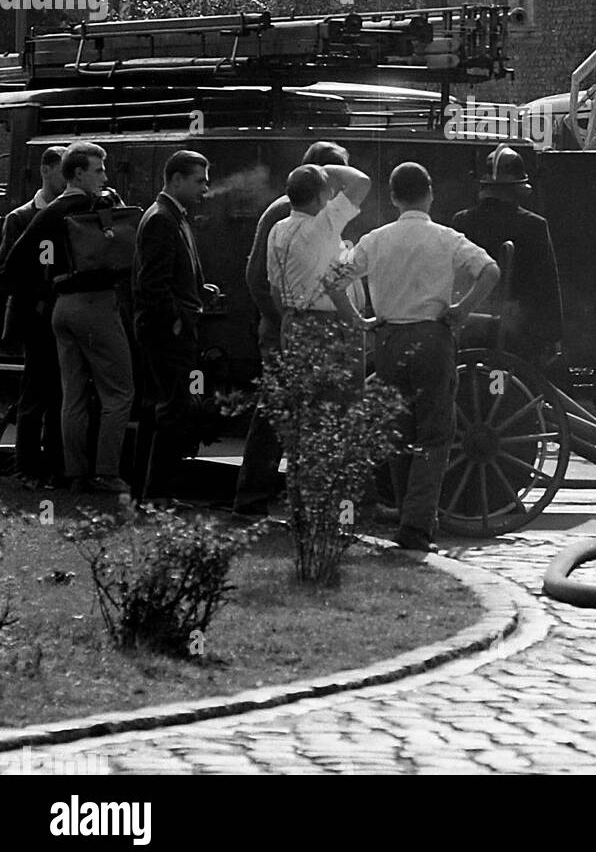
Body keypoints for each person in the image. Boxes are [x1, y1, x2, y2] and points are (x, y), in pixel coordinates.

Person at [330, 161, 500, 553]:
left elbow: (334, 281)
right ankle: (417, 527)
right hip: (432, 337)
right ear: (430, 193)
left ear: (392, 198)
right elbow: (489, 270)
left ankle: (409, 515)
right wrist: (462, 309)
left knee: (399, 435)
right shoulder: (446, 238)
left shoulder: (374, 239)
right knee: (434, 436)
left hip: (388, 340)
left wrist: (358, 321)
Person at [233, 143, 370, 518]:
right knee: (292, 414)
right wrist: (286, 323)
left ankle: (273, 499)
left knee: (291, 414)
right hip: (296, 326)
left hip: (291, 322)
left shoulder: (292, 218)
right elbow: (258, 279)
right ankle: (281, 500)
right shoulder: (305, 217)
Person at [0, 141, 133, 496]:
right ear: (78, 173)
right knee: (118, 392)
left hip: (62, 306)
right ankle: (106, 472)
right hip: (96, 304)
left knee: (70, 395)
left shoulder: (49, 212)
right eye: (99, 170)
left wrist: (45, 292)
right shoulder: (98, 205)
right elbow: (124, 248)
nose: (105, 176)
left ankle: (71, 471)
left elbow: (12, 266)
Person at [132, 150, 218, 504]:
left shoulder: (171, 216)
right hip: (167, 332)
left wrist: (198, 291)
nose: (206, 188)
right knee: (173, 409)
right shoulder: (162, 220)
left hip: (167, 327)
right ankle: (159, 493)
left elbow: (167, 275)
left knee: (159, 409)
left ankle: (148, 490)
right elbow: (153, 284)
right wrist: (180, 319)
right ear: (176, 179)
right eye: (200, 180)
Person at [452, 143, 564, 367]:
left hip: (469, 331)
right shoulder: (534, 225)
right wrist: (553, 334)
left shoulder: (461, 221)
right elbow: (546, 284)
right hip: (520, 336)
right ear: (518, 188)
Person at [0, 145, 67, 486]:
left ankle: (53, 463)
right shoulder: (21, 218)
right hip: (35, 316)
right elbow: (9, 272)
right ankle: (27, 465)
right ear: (46, 170)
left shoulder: (67, 213)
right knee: (36, 391)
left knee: (59, 392)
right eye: (62, 170)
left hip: (62, 313)